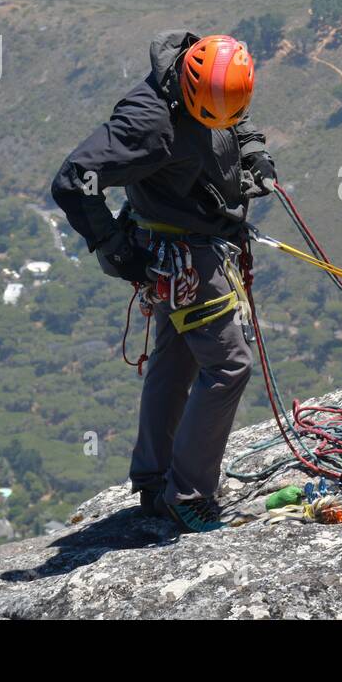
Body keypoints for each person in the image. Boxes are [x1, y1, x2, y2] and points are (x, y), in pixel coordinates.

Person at [50, 30, 276, 532]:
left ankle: (155, 482)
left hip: (195, 243)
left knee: (178, 354)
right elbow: (73, 179)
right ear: (189, 91)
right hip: (183, 253)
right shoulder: (148, 125)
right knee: (229, 365)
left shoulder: (210, 84)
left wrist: (254, 152)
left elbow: (235, 119)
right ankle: (189, 494)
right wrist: (112, 244)